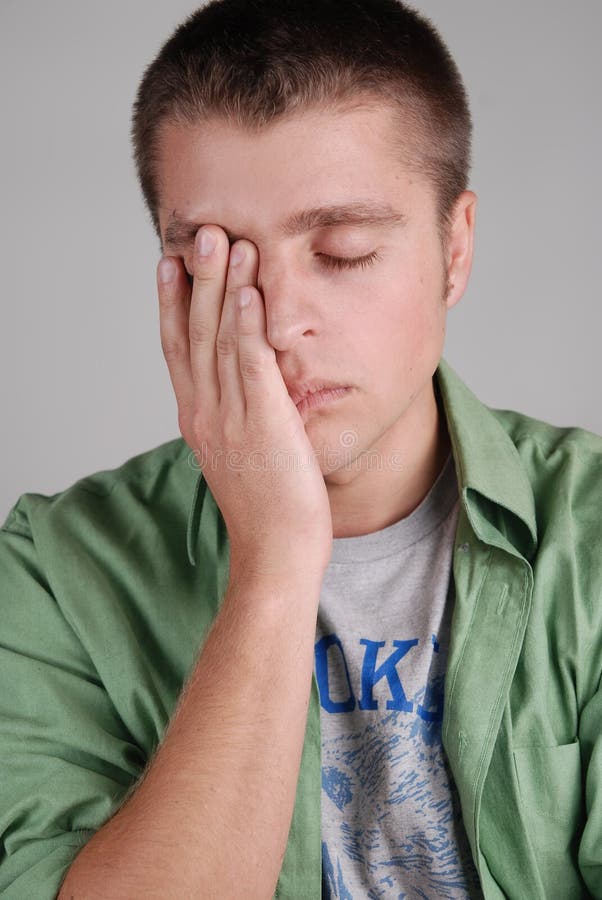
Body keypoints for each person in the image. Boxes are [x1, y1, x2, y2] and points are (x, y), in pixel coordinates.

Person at [1, 0, 600, 897]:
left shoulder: (590, 533)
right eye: (218, 263)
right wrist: (275, 562)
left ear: (455, 249)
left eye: (343, 252)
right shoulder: (55, 570)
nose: (278, 325)